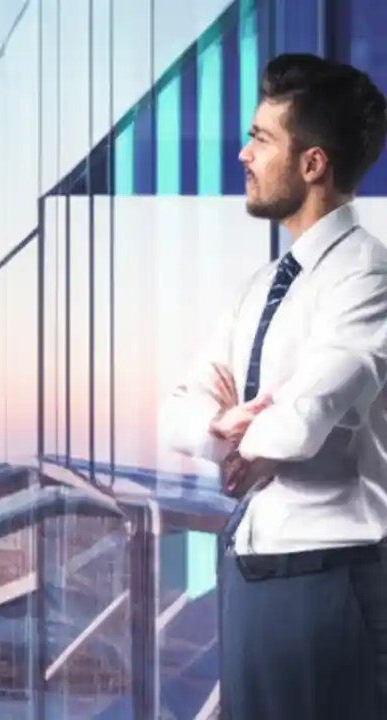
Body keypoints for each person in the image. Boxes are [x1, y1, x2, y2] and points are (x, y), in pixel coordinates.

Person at [159, 53, 387, 718]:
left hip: (330, 579)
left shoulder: (367, 279)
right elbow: (176, 409)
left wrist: (244, 429)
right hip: (253, 572)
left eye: (261, 139)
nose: (242, 153)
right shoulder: (263, 286)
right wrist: (218, 429)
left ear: (312, 164)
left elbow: (303, 421)